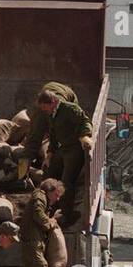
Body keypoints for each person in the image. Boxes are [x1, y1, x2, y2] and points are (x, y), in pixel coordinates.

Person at [37, 87, 94, 228]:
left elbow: (84, 121)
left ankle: (66, 214)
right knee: (48, 173)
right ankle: (47, 209)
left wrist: (84, 136)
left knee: (67, 180)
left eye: (46, 107)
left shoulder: (70, 109)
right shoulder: (51, 114)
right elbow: (53, 134)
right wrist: (50, 154)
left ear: (54, 102)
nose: (45, 110)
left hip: (74, 148)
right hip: (63, 148)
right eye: (43, 108)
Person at [21, 178, 64, 267]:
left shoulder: (43, 199)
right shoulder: (40, 196)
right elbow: (39, 215)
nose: (57, 199)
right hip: (32, 242)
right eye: (56, 194)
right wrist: (51, 222)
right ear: (49, 191)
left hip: (35, 242)